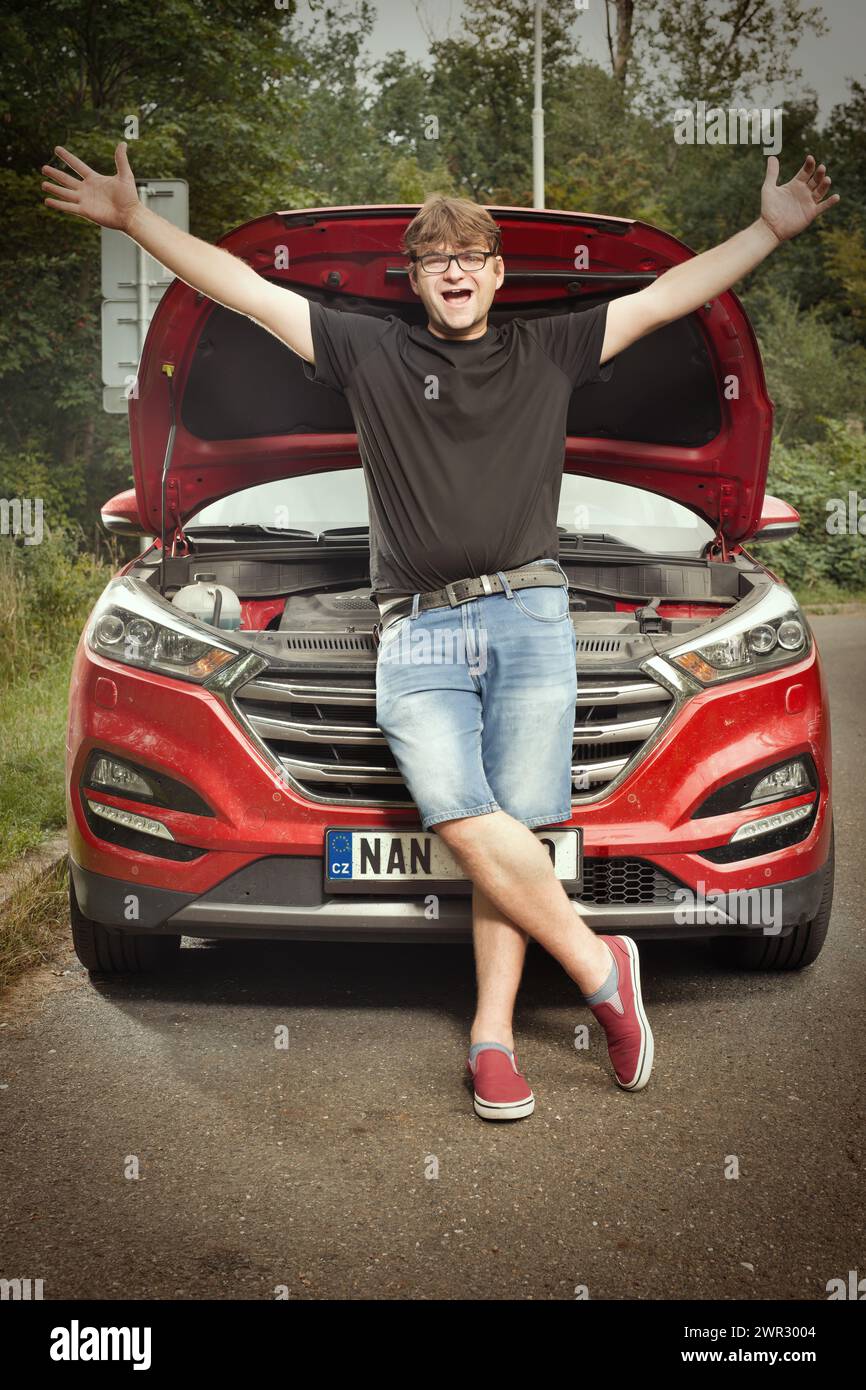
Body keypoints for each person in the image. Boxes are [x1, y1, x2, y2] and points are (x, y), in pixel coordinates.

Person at [42, 142, 839, 1121]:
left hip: (532, 616)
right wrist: (135, 222)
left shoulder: (551, 349)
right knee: (462, 811)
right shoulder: (366, 351)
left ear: (497, 275)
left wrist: (766, 230)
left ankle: (492, 1039)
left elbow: (669, 296)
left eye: (471, 254)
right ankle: (600, 966)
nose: (454, 269)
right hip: (414, 629)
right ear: (412, 279)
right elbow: (245, 292)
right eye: (434, 256)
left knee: (517, 824)